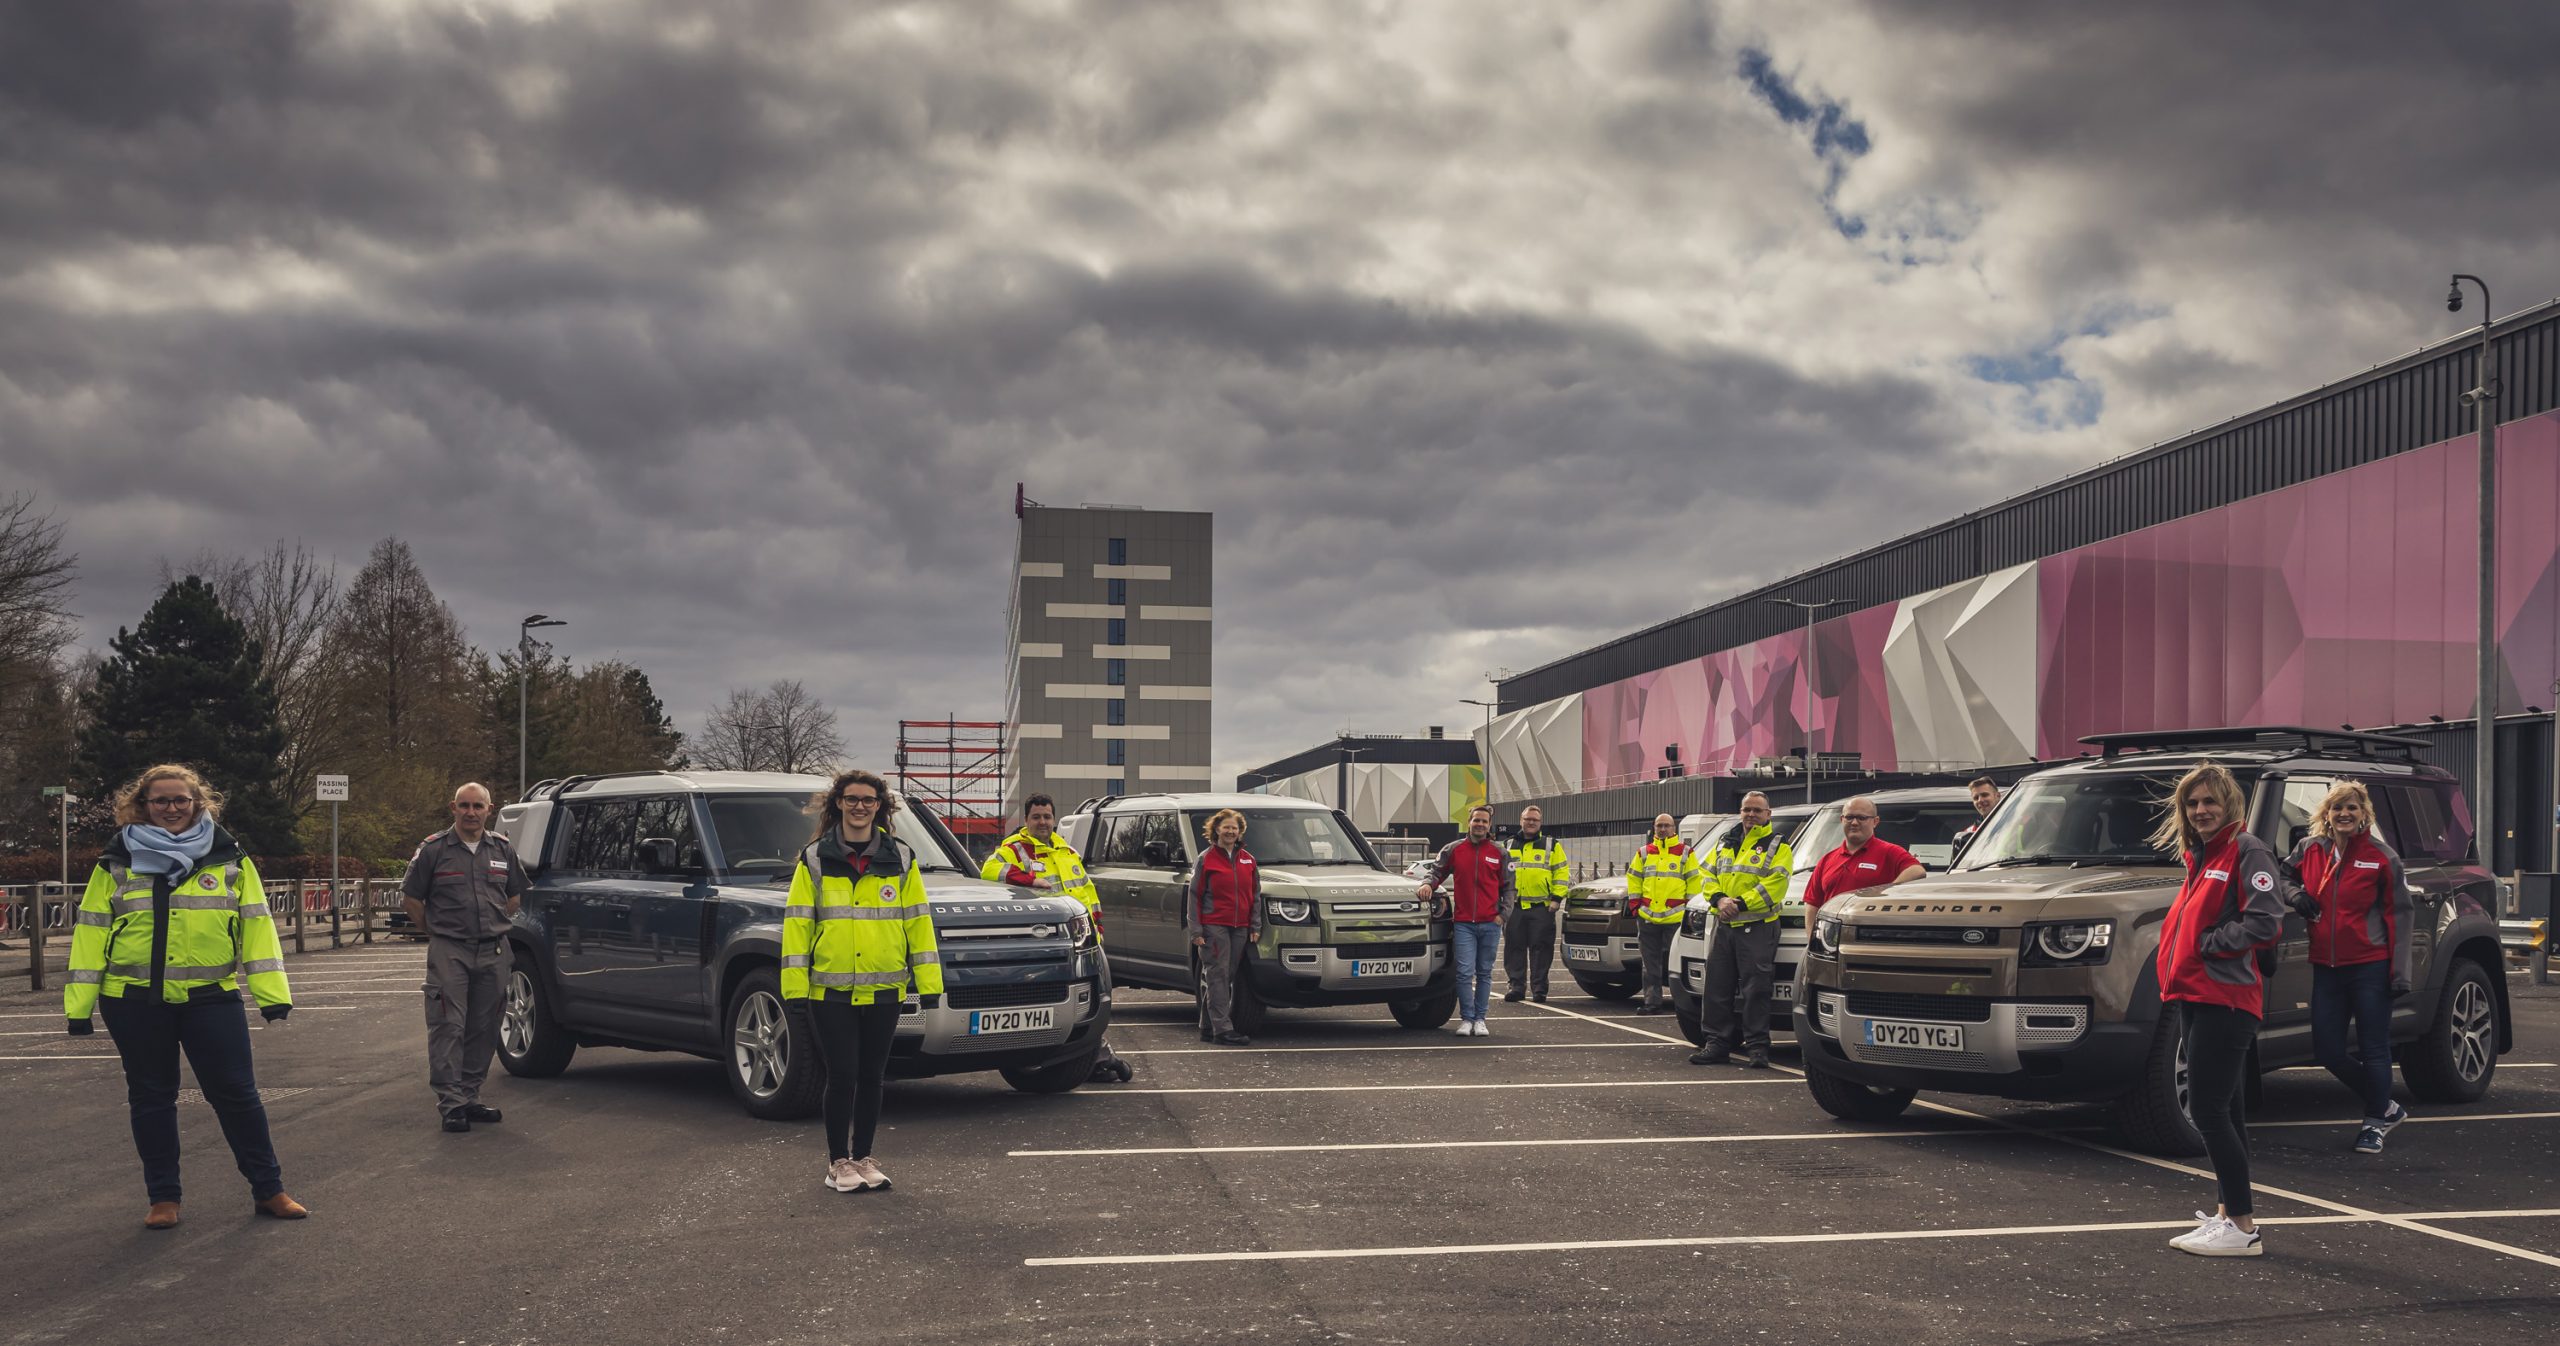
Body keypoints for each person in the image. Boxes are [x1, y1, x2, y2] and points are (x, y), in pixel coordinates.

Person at [64, 764, 307, 1228]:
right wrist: (78, 1007)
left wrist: (272, 995)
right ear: (143, 806)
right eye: (161, 801)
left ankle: (269, 1189)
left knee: (237, 1094)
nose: (172, 808)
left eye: (181, 800)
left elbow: (258, 929)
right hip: (132, 1000)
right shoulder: (116, 861)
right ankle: (164, 1199)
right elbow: (90, 934)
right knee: (152, 1099)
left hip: (211, 998)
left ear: (198, 803)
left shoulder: (231, 859)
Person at [781, 769, 942, 1193]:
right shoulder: (815, 859)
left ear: (879, 806)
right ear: (838, 803)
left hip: (886, 989)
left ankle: (865, 1158)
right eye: (851, 799)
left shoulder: (901, 858)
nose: (859, 806)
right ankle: (838, 1163)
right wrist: (795, 989)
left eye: (868, 800)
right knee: (843, 1074)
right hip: (830, 990)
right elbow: (797, 926)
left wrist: (930, 984)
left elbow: (918, 925)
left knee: (873, 1075)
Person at [2155, 762, 2285, 1257]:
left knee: (2207, 1111)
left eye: (2209, 801)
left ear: (2228, 802)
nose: (2201, 810)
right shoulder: (2200, 855)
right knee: (2227, 1109)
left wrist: (2209, 945)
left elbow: (2266, 922)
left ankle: (2244, 1228)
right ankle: (2229, 1215)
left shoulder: (2247, 851)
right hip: (2195, 994)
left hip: (2224, 997)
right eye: (2192, 803)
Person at [2282, 780, 2413, 1154]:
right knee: (2327, 1050)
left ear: (2363, 814)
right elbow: (2278, 877)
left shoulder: (2381, 856)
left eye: (2352, 808)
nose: (2344, 814)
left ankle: (2374, 1122)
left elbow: (2400, 915)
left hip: (2370, 966)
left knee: (2374, 1048)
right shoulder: (2309, 849)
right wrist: (2295, 895)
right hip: (2326, 966)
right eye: (2337, 807)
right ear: (2326, 813)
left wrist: (2399, 972)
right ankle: (2386, 1104)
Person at [400, 782, 528, 1133]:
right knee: (448, 1026)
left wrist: (495, 920)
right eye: (464, 805)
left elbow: (515, 894)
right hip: (450, 950)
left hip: (494, 950)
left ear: (490, 809)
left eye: (478, 806)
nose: (471, 812)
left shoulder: (502, 848)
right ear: (453, 807)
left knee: (484, 1027)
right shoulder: (433, 850)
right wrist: (437, 932)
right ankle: (451, 1104)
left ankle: (470, 1096)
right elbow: (411, 898)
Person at [982, 793, 1130, 1082]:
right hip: (1044, 941)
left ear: (1053, 818)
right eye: (1036, 817)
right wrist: (1029, 879)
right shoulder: (1015, 849)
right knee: (1063, 1003)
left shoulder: (1067, 851)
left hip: (1081, 940)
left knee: (1091, 1002)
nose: (1042, 822)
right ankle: (1094, 1058)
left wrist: (1096, 930)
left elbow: (1088, 894)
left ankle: (1092, 1057)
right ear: (1026, 820)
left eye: (1047, 816)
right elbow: (989, 871)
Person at [1690, 792, 1793, 1069]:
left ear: (1768, 814)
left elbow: (1776, 884)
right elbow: (1706, 875)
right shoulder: (1726, 841)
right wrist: (1719, 899)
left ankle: (1758, 1048)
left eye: (1757, 810)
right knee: (1717, 988)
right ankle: (1716, 1044)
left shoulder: (1778, 845)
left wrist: (1742, 903)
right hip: (1725, 926)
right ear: (1740, 812)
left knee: (1756, 990)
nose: (1751, 814)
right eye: (1747, 809)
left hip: (1758, 927)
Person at [1419, 805, 1514, 1035]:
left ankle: (1480, 1019)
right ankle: (1467, 1019)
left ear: (1489, 825)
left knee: (1484, 972)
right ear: (1468, 822)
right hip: (1463, 925)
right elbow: (1436, 871)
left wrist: (1503, 915)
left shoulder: (1500, 853)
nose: (1480, 824)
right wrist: (1426, 884)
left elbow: (1510, 888)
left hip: (1491, 923)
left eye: (1484, 821)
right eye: (1476, 820)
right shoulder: (1454, 850)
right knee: (1463, 972)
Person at [1187, 808, 1264, 1046]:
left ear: (1240, 831)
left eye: (1234, 828)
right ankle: (1223, 1030)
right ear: (1216, 829)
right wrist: (1196, 930)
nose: (1230, 831)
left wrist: (1255, 925)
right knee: (1218, 975)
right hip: (1214, 927)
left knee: (1225, 976)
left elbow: (1255, 894)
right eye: (1226, 827)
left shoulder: (1248, 860)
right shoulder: (1206, 859)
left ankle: (1207, 1027)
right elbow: (1194, 895)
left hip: (1240, 927)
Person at [1624, 813, 1699, 1015]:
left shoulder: (1686, 853)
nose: (1663, 829)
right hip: (1647, 917)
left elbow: (1694, 883)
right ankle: (1652, 1002)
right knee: (1650, 965)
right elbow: (1634, 879)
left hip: (1675, 918)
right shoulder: (1643, 853)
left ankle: (1683, 1004)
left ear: (1674, 829)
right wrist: (1635, 907)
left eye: (1667, 825)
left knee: (1677, 964)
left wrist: (1689, 911)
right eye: (1659, 825)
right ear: (1654, 828)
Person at [1799, 797, 1924, 912]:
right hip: (1832, 932)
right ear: (1842, 820)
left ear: (1875, 821)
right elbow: (1812, 904)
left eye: (1861, 818)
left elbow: (1917, 871)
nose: (1854, 822)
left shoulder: (1890, 851)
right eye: (1849, 817)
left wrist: (1888, 890)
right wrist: (1812, 936)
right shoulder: (1827, 860)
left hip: (1868, 931)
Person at [1502, 806, 1568, 1004]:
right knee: (1514, 948)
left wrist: (1557, 899)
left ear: (1540, 823)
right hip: (1515, 908)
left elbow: (1562, 872)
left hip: (1542, 908)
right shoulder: (1508, 844)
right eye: (1528, 819)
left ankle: (1539, 990)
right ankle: (1516, 987)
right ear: (1521, 820)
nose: (1531, 823)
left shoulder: (1551, 845)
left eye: (1535, 820)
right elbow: (1500, 875)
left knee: (1541, 950)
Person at [1952, 776, 2000, 858]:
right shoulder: (1968, 834)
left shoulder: (2016, 824)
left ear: (1997, 796)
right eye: (1976, 798)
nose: (1980, 800)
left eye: (1985, 795)